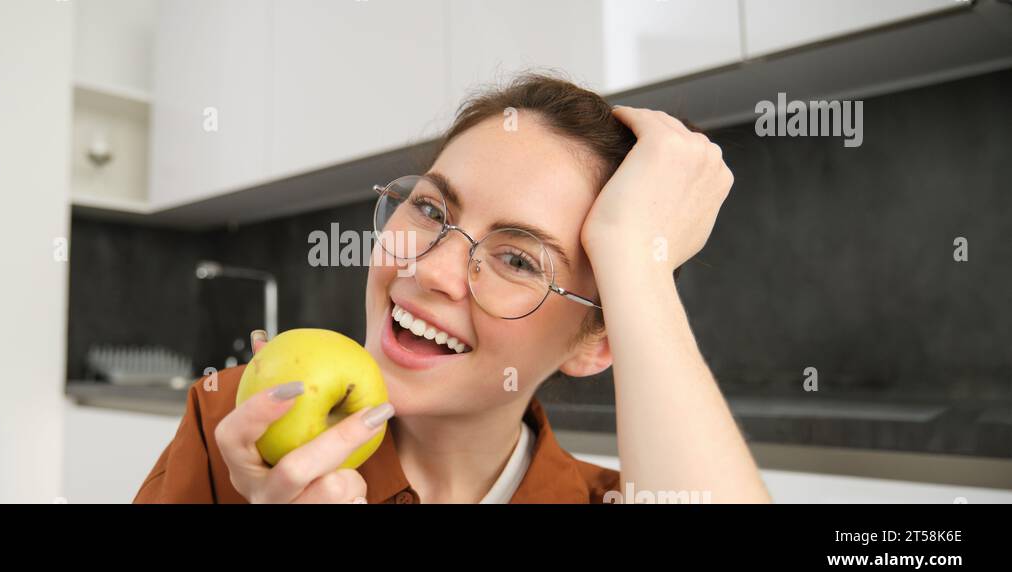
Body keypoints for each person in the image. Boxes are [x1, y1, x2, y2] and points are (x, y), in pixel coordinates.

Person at [133, 73, 770, 504]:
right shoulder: (229, 430)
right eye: (434, 213)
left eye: (518, 261)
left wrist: (636, 255)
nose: (431, 271)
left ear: (596, 344)